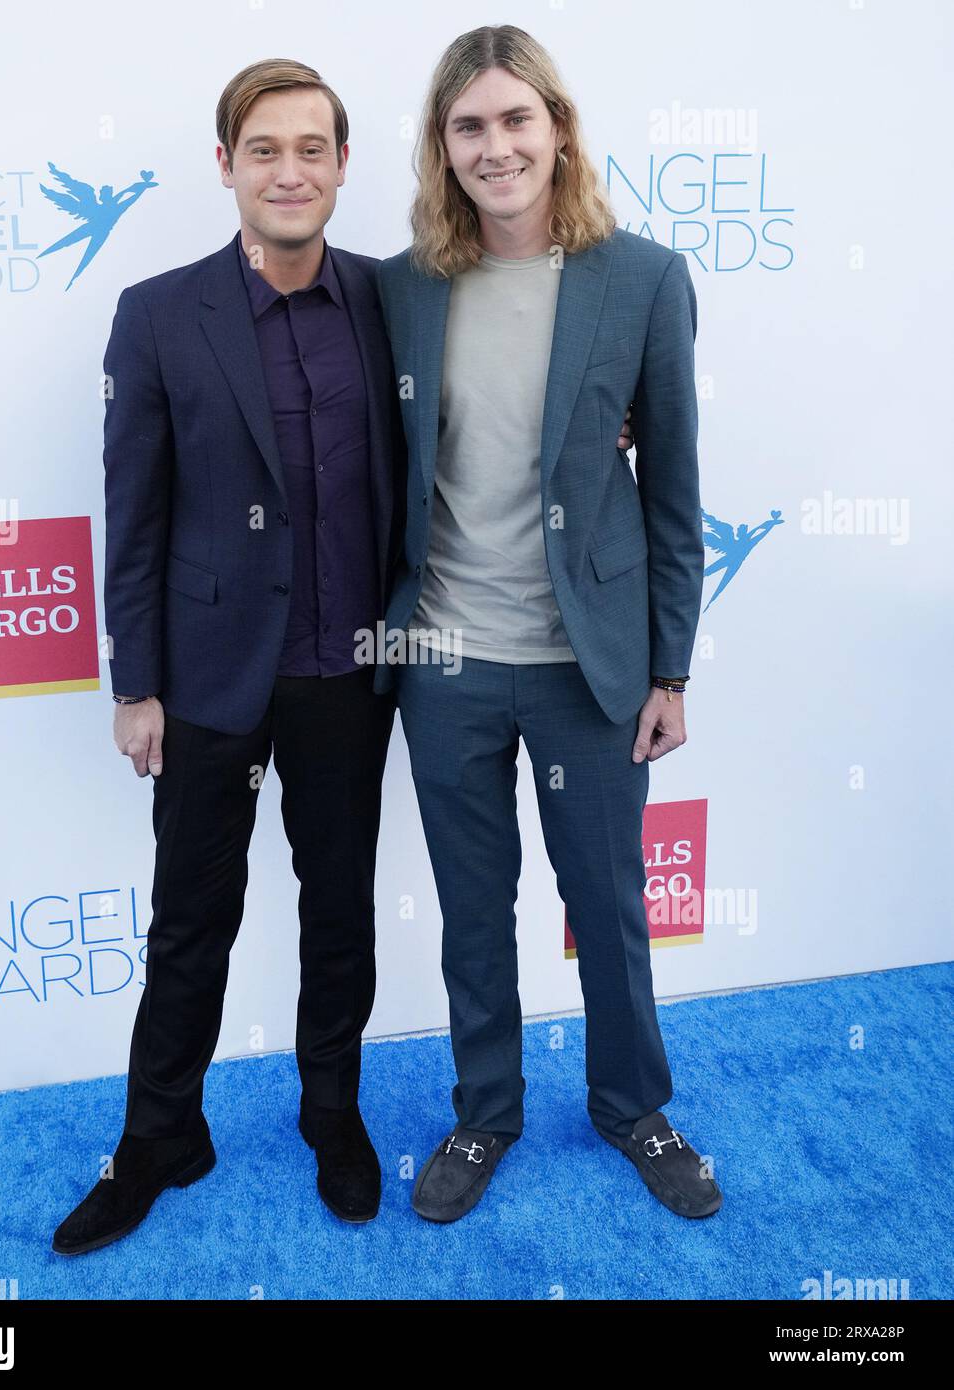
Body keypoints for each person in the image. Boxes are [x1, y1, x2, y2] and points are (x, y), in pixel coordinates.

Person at [53, 58, 408, 1253]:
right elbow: (133, 509)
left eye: (312, 147)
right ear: (225, 166)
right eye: (264, 148)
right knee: (189, 916)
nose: (290, 169)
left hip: (348, 672)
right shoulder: (157, 313)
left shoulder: (389, 300)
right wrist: (133, 683)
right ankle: (160, 1134)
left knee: (338, 910)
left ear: (343, 164)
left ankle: (332, 1112)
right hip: (206, 675)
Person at [373, 24, 722, 1223]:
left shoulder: (640, 278)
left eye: (516, 118)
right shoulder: (400, 287)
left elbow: (672, 488)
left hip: (590, 665)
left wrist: (668, 665)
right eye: (468, 125)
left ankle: (632, 1107)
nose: (495, 144)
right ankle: (484, 1115)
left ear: (557, 128)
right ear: (442, 146)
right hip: (443, 660)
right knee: (472, 908)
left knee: (608, 904)